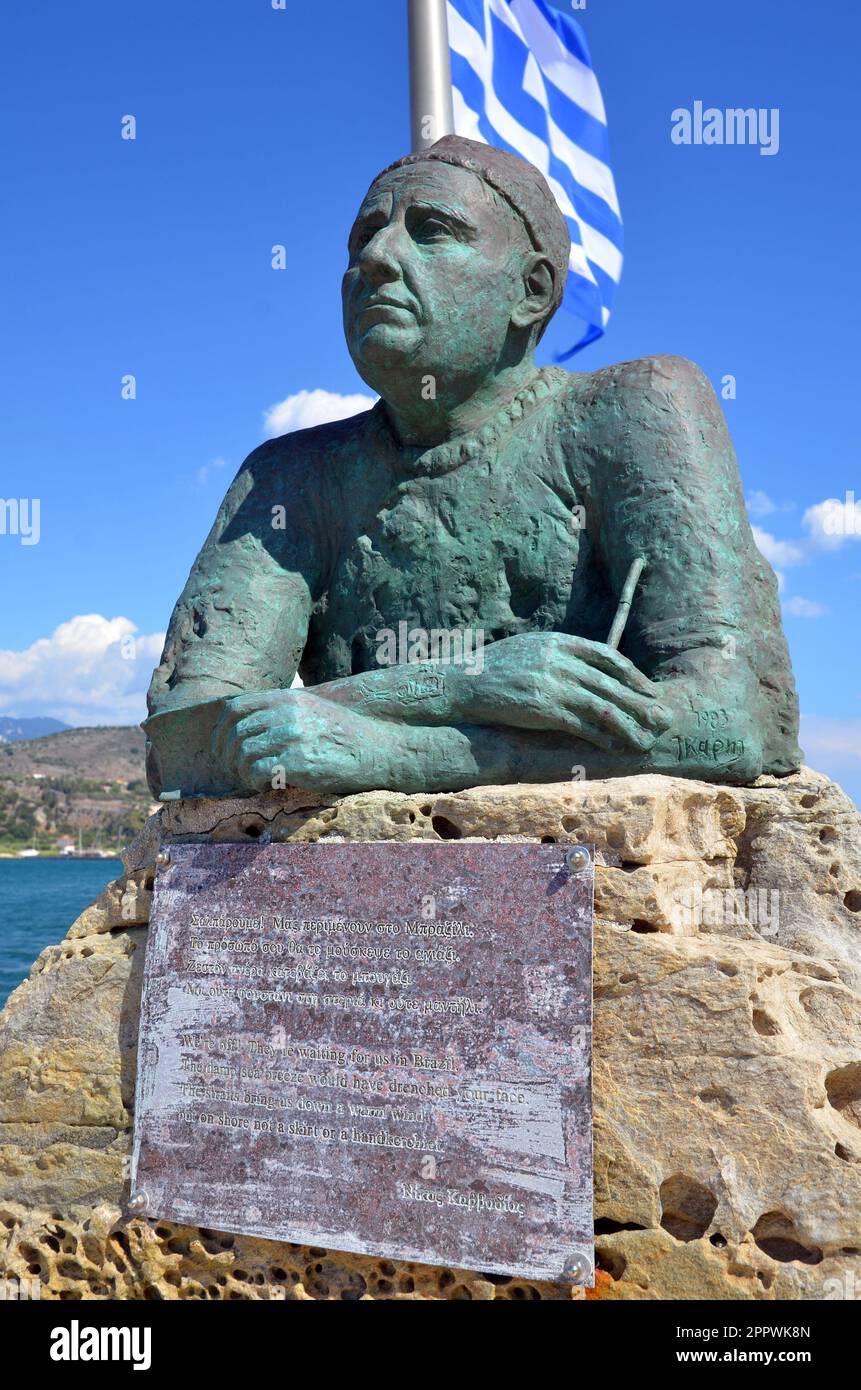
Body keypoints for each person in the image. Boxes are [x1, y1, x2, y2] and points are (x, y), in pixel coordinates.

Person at [145, 136, 801, 799]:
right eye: (364, 237)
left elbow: (731, 723)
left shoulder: (635, 410)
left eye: (432, 231)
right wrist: (463, 685)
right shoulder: (288, 477)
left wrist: (393, 752)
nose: (375, 257)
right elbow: (183, 747)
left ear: (530, 291)